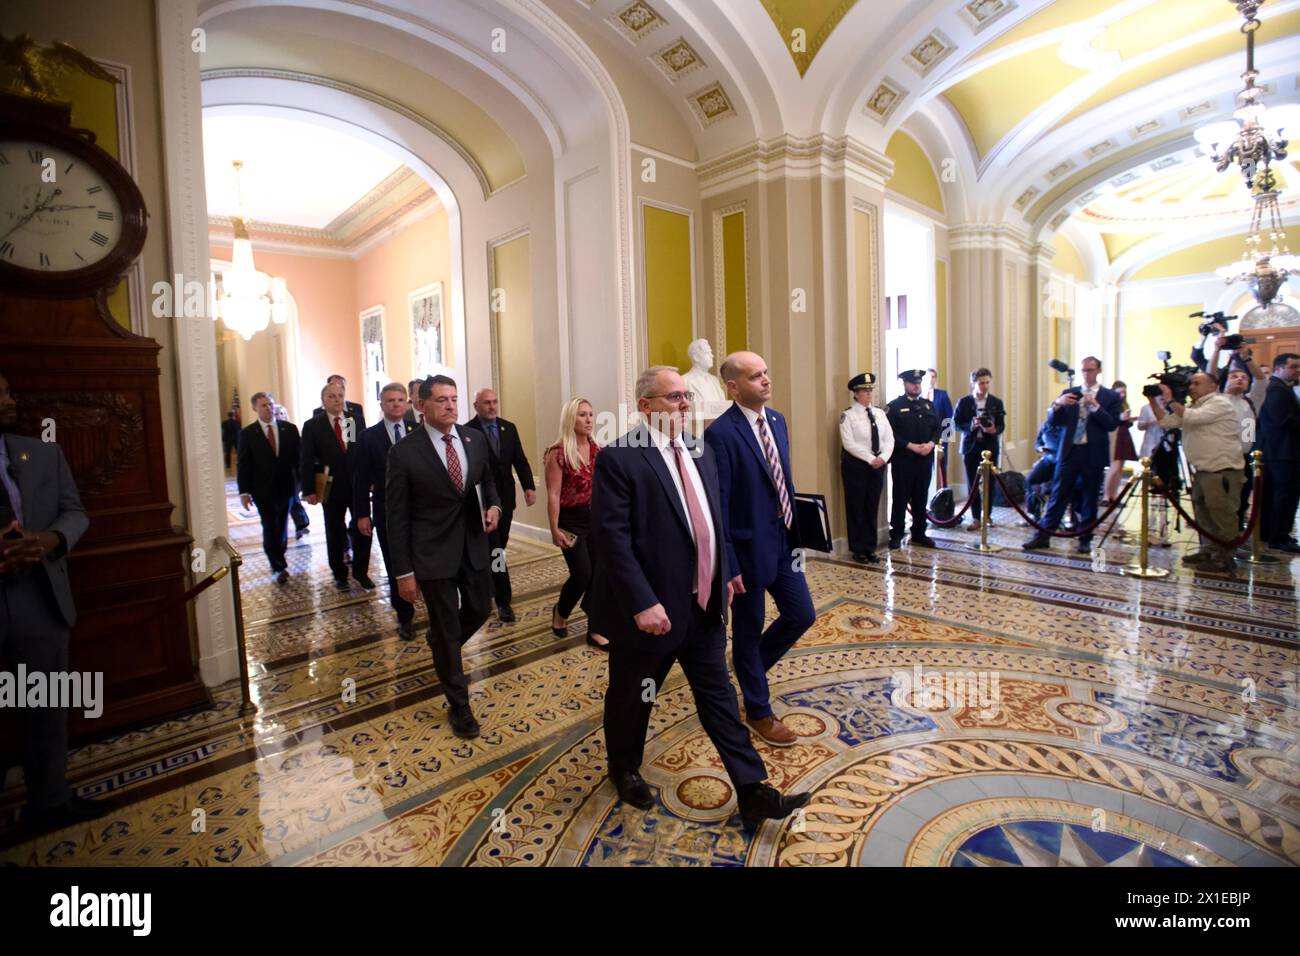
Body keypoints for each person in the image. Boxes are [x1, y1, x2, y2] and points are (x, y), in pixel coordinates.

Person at [589, 365, 810, 829]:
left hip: (705, 604)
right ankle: (624, 767)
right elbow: (612, 540)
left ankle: (752, 791)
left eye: (687, 397)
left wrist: (724, 572)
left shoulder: (700, 448)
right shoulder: (619, 456)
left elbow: (713, 518)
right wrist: (641, 602)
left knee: (720, 699)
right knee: (634, 696)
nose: (685, 405)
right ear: (645, 405)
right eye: (673, 398)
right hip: (652, 610)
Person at [0, 372, 107, 832]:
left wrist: (51, 539)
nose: (10, 398)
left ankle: (50, 800)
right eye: (1, 391)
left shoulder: (41, 453)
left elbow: (75, 511)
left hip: (38, 601)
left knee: (46, 709)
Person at [706, 351, 816, 747]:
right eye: (756, 376)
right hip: (748, 550)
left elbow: (780, 480)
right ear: (733, 386)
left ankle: (750, 669)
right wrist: (730, 561)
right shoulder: (720, 434)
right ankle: (758, 710)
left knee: (801, 614)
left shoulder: (777, 420)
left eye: (767, 372)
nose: (767, 380)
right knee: (748, 631)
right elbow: (719, 503)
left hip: (784, 542)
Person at [388, 375, 501, 738]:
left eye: (454, 399)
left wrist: (495, 504)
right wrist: (404, 572)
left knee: (481, 609)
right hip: (431, 553)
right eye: (441, 400)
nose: (451, 406)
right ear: (421, 405)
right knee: (447, 624)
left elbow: (488, 480)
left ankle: (442, 644)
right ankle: (460, 705)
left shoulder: (474, 439)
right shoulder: (404, 452)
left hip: (473, 545)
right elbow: (396, 518)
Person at [1146, 372, 1245, 572]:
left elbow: (1194, 418)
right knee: (1203, 514)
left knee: (1222, 514)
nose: (1191, 387)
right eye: (1190, 383)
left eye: (1197, 383)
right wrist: (1152, 401)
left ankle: (1224, 557)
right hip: (1202, 470)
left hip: (1221, 470)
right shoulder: (1193, 405)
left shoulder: (1219, 403)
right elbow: (1167, 422)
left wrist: (1170, 399)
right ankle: (1208, 550)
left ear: (1213, 386)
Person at [1024, 356, 1122, 554]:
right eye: (1083, 370)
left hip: (1093, 453)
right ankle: (1043, 535)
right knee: (1058, 495)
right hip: (1069, 451)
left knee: (1089, 497)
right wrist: (1057, 404)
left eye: (1090, 370)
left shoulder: (1110, 397)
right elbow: (1053, 422)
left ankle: (1084, 538)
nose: (1086, 374)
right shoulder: (1070, 393)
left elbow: (1112, 424)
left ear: (1098, 371)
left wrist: (1095, 406)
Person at [466, 387, 537, 624]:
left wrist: (529, 487)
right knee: (496, 551)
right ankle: (503, 601)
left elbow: (520, 459)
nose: (492, 406)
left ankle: (489, 584)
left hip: (506, 499)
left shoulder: (508, 427)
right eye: (486, 403)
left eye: (495, 402)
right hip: (483, 502)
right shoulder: (468, 431)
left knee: (498, 548)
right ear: (476, 406)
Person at [543, 398, 607, 649]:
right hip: (570, 520)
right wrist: (554, 527)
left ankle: (596, 628)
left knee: (600, 575)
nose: (589, 419)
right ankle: (560, 612)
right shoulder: (557, 453)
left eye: (591, 414)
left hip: (595, 517)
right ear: (571, 418)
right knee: (582, 574)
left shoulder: (597, 449)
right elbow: (553, 494)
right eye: (582, 415)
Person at [354, 383, 416, 640]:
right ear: (382, 405)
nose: (396, 404)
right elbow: (360, 478)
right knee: (395, 564)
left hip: (418, 510)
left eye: (401, 399)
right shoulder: (369, 437)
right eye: (390, 400)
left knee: (422, 560)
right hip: (386, 510)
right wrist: (362, 514)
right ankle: (405, 616)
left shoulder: (417, 431)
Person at [300, 380, 372, 590]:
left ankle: (361, 571)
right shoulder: (313, 425)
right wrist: (309, 490)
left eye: (340, 396)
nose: (337, 400)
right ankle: (339, 573)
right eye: (331, 396)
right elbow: (306, 459)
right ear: (323, 401)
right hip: (330, 487)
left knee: (363, 528)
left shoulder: (354, 420)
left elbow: (359, 452)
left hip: (356, 485)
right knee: (334, 530)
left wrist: (369, 481)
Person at [237, 391, 299, 585]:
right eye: (264, 405)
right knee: (270, 526)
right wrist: (244, 492)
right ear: (255, 408)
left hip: (287, 487)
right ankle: (278, 564)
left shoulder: (289, 429)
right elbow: (243, 464)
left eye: (271, 404)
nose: (269, 408)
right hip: (262, 490)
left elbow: (299, 459)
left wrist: (305, 485)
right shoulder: (248, 434)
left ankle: (279, 555)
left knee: (282, 525)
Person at [839, 372, 894, 563]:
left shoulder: (879, 413)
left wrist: (883, 458)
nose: (869, 394)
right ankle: (858, 548)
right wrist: (871, 459)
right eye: (864, 390)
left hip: (878, 465)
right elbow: (849, 443)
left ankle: (870, 547)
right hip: (857, 466)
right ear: (855, 393)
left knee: (872, 506)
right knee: (856, 507)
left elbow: (889, 439)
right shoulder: (847, 416)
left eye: (870, 390)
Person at [886, 369, 943, 549]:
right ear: (905, 384)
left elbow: (937, 429)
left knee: (921, 497)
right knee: (900, 497)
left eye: (919, 382)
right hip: (904, 459)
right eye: (913, 383)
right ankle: (896, 533)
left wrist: (931, 444)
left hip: (925, 459)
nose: (917, 385)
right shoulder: (894, 407)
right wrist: (909, 445)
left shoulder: (928, 405)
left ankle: (919, 533)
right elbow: (890, 434)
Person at [952, 368, 1005, 530]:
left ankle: (987, 515)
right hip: (970, 447)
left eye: (987, 382)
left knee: (990, 482)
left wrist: (994, 429)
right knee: (972, 483)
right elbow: (955, 424)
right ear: (973, 383)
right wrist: (971, 425)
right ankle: (975, 517)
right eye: (981, 383)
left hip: (990, 446)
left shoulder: (996, 402)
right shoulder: (964, 402)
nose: (985, 386)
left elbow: (1002, 425)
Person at [1257, 353, 1300, 554]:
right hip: (1282, 451)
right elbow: (1283, 420)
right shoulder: (1277, 389)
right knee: (1285, 495)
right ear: (1278, 368)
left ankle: (1270, 533)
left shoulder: (1281, 388)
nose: (1297, 370)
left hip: (1278, 451)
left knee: (1276, 494)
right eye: (1293, 367)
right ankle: (1279, 536)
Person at [1224, 368, 1260, 530]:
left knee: (1242, 497)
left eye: (1244, 378)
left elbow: (1247, 436)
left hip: (1243, 458)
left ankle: (1236, 532)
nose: (1239, 380)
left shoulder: (1249, 402)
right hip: (1222, 458)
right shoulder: (1218, 400)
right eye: (1234, 377)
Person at [275, 404, 310, 538]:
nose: (279, 416)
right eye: (276, 414)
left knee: (294, 499)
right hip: (277, 478)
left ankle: (301, 523)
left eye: (281, 414)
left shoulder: (291, 431)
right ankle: (301, 522)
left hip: (293, 475)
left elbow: (300, 455)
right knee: (290, 502)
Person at [1102, 381, 1138, 505]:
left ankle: (1114, 494)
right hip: (1114, 434)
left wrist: (1129, 419)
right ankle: (1106, 495)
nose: (1122, 395)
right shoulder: (1109, 404)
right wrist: (1121, 418)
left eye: (1124, 392)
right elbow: (1109, 419)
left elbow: (1124, 420)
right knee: (1114, 466)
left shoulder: (1124, 404)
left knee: (1120, 468)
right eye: (1119, 392)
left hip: (1123, 433)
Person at [925, 368, 955, 478]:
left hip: (940, 438)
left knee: (941, 466)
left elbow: (950, 417)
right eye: (929, 377)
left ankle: (942, 491)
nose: (931, 380)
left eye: (933, 377)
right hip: (922, 439)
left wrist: (947, 438)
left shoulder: (942, 395)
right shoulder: (918, 395)